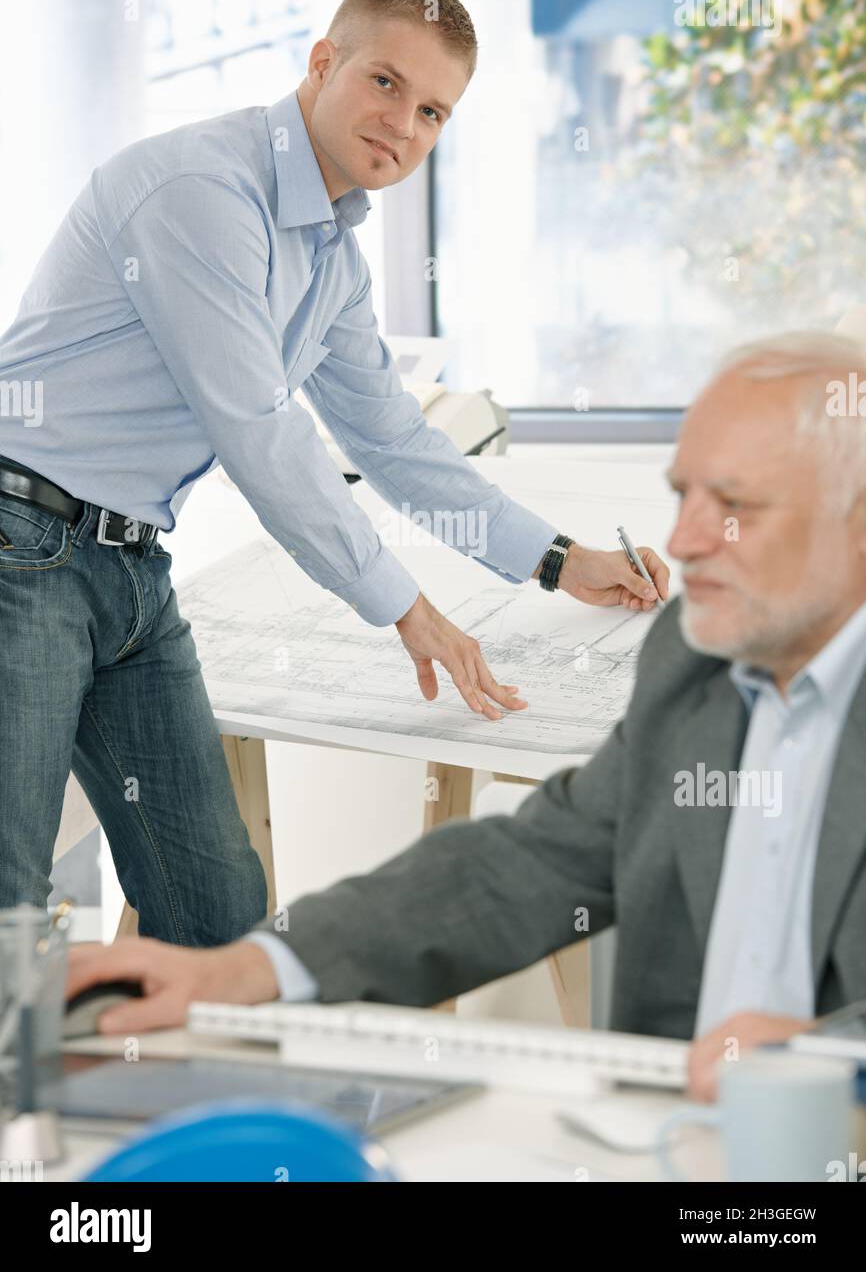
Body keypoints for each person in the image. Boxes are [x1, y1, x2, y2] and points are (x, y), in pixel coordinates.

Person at [0, 0, 667, 939]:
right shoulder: (203, 192)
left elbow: (392, 437)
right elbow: (260, 433)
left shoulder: (330, 261)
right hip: (22, 545)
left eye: (432, 111)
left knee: (216, 908)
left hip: (128, 566)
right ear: (323, 63)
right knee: (9, 904)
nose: (403, 123)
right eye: (386, 82)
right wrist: (407, 608)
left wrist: (560, 560)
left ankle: (141, 1040)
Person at [67, 329, 866, 1101]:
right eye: (684, 496)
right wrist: (250, 970)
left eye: (734, 505)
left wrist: (834, 1061)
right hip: (674, 1143)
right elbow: (532, 863)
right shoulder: (695, 669)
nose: (685, 541)